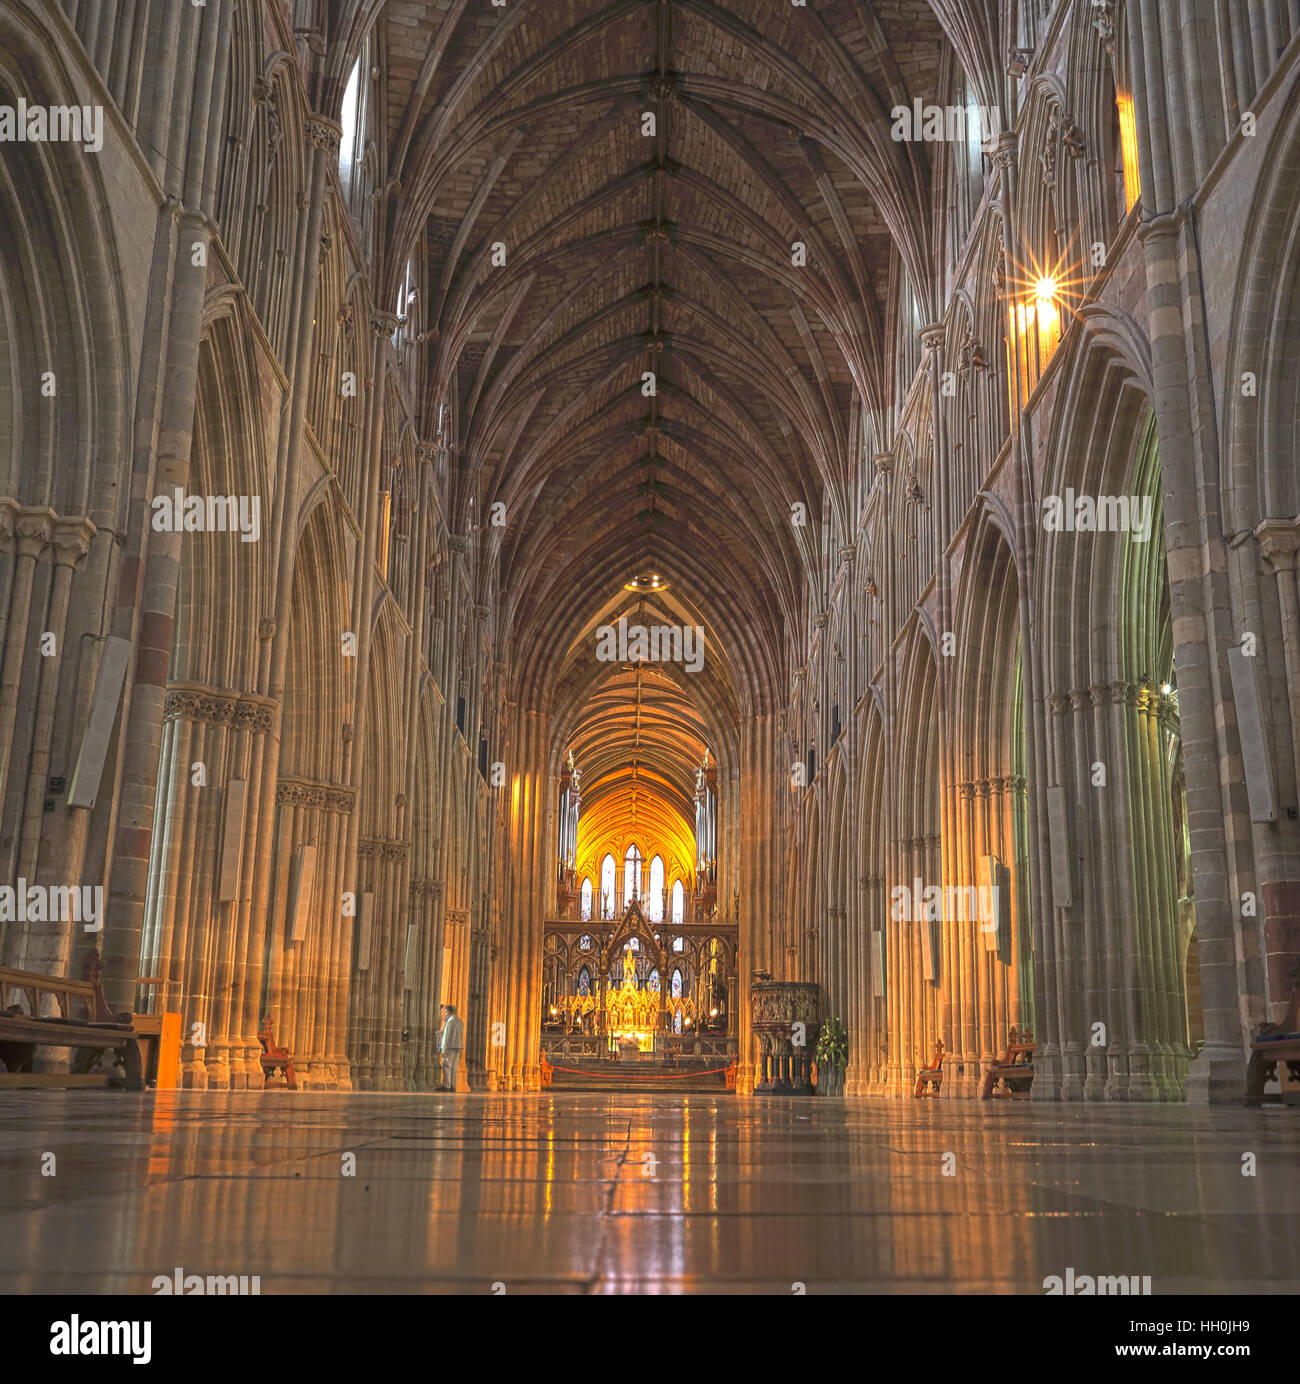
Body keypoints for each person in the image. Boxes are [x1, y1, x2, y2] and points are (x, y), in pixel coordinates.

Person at [438, 1003, 464, 1091]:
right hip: (458, 1046)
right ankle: (453, 1086)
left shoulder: (450, 1022)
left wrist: (442, 1047)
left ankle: (446, 1086)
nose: (445, 1014)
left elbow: (447, 1035)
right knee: (455, 1067)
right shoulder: (460, 1021)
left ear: (449, 1012)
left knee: (447, 1066)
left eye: (445, 1012)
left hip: (450, 1046)